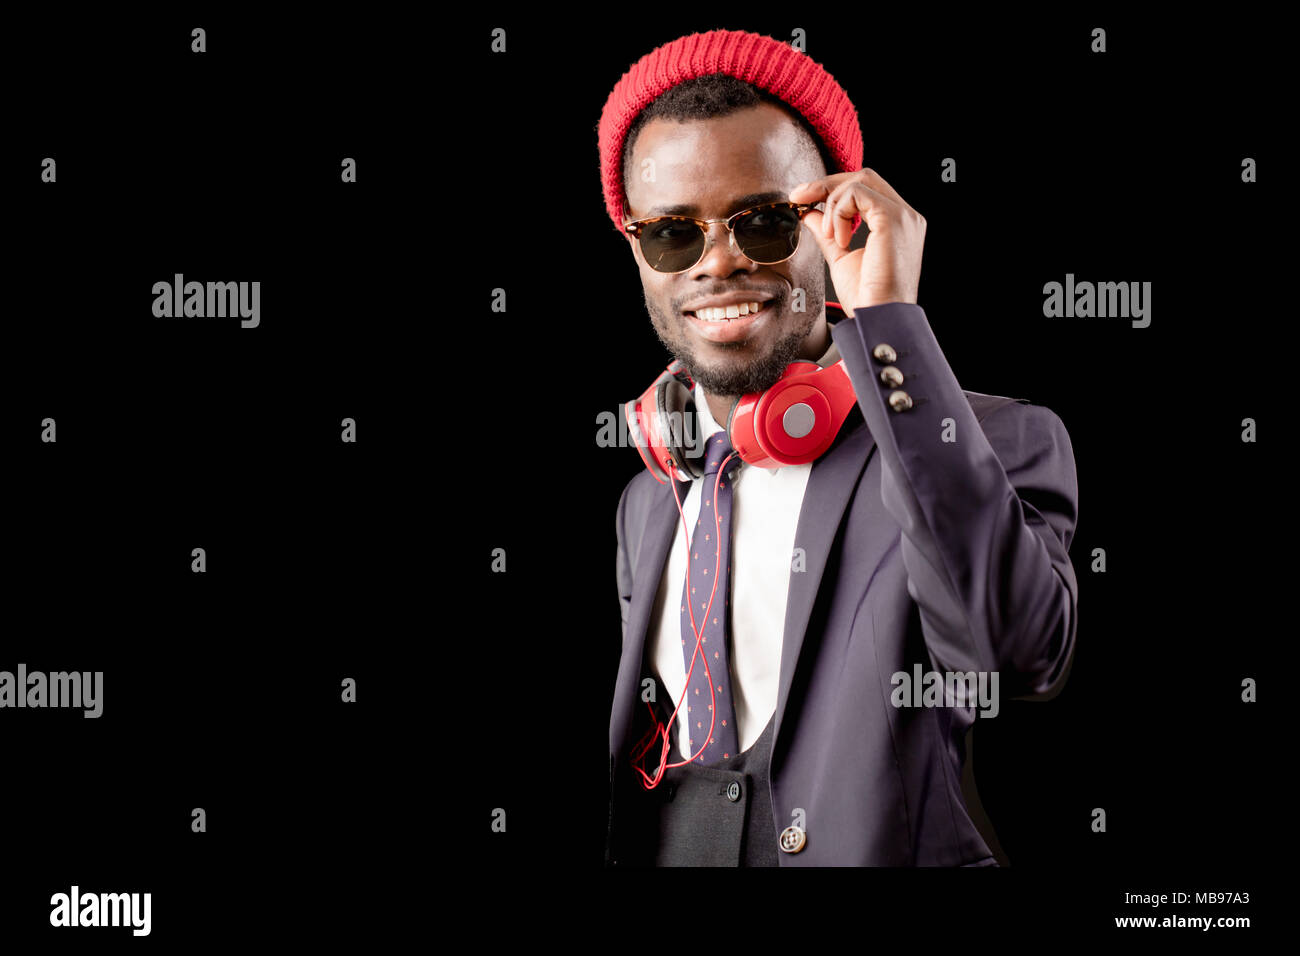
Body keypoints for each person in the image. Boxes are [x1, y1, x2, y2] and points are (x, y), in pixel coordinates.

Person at [602, 29, 1079, 866]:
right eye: (673, 234)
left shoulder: (989, 441)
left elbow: (1011, 659)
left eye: (765, 222)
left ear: (834, 222)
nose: (717, 262)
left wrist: (890, 324)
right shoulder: (650, 497)